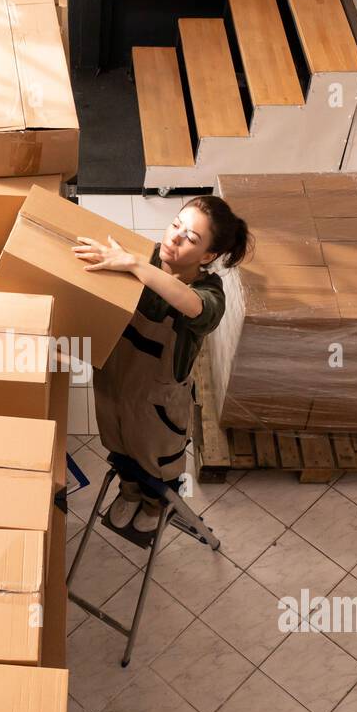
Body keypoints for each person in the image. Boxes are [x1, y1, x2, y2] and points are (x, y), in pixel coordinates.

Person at [74, 195, 250, 533]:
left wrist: (134, 265)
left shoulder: (209, 295)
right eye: (175, 225)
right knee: (119, 446)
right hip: (115, 383)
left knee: (156, 462)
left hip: (157, 404)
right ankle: (128, 492)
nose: (174, 238)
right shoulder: (142, 254)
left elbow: (193, 306)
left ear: (208, 256)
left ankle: (155, 507)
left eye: (191, 238)